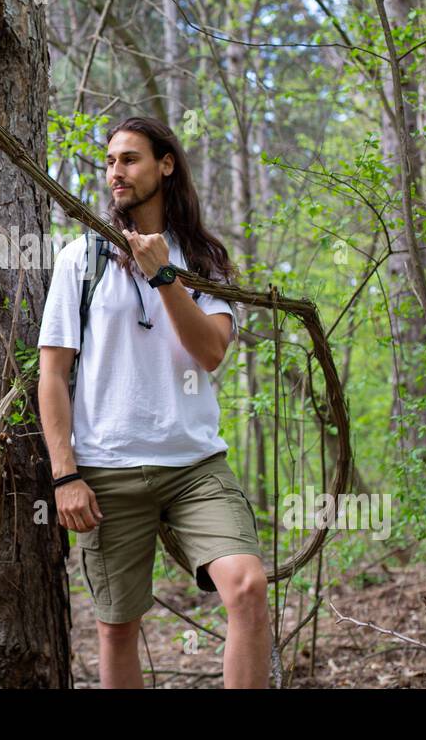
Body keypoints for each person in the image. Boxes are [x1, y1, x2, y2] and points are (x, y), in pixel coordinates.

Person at [37, 115, 272, 688]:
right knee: (118, 627)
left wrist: (164, 274)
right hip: (108, 470)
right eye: (110, 161)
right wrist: (65, 475)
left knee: (246, 586)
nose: (116, 172)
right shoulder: (80, 259)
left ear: (165, 165)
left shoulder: (205, 259)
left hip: (194, 465)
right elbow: (52, 373)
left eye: (131, 159)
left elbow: (211, 352)